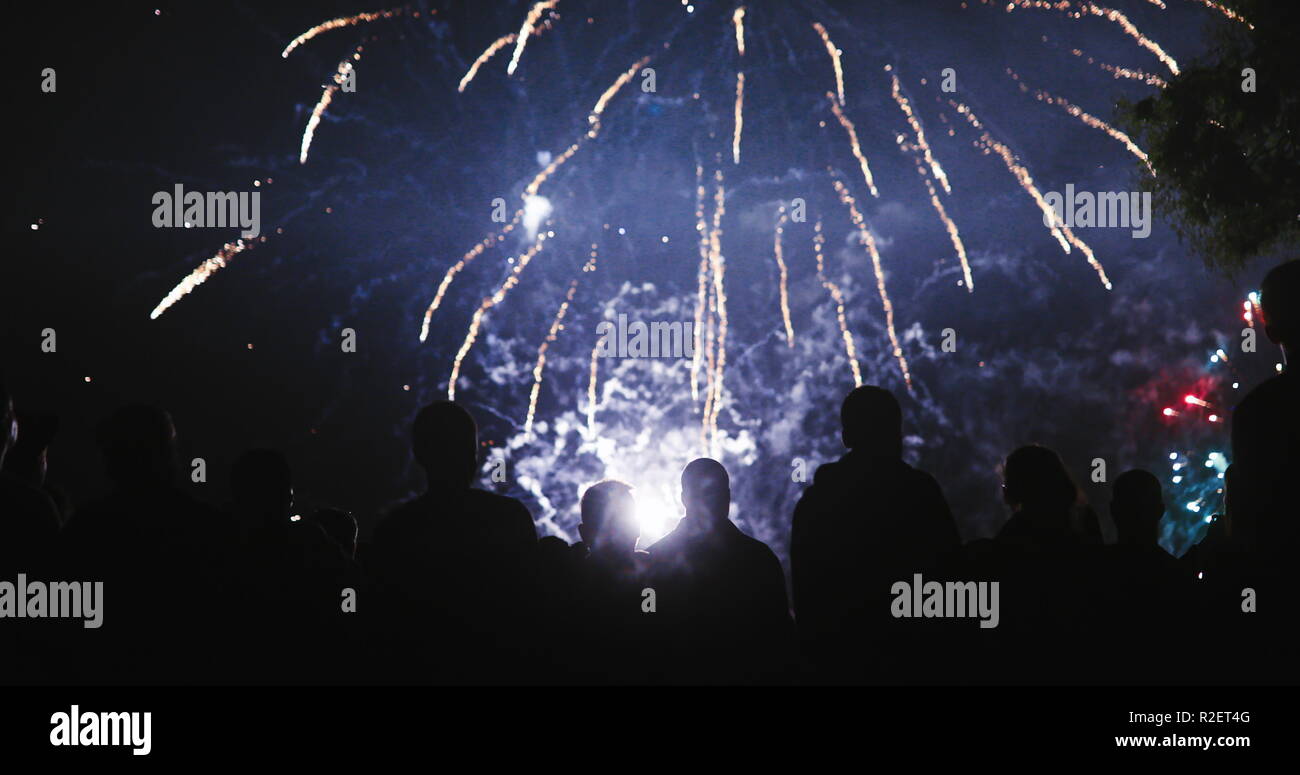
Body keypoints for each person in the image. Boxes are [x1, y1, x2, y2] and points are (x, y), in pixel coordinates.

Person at [791, 385, 959, 684]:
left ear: (846, 437)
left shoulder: (816, 503)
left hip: (840, 661)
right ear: (896, 431)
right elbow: (949, 576)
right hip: (915, 659)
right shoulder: (920, 494)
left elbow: (806, 596)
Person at [369, 401, 537, 684]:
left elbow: (384, 626)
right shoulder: (510, 517)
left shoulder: (395, 530)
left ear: (419, 455)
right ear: (473, 456)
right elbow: (533, 608)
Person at [647, 458, 793, 685]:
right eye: (706, 493)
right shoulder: (758, 559)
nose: (712, 501)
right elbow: (780, 640)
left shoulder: (653, 562)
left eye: (715, 493)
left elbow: (645, 636)